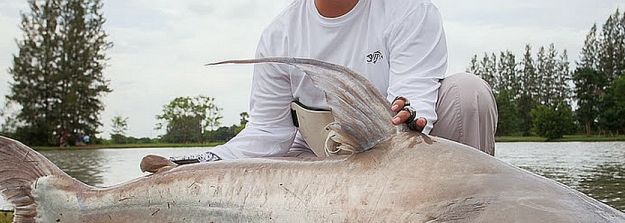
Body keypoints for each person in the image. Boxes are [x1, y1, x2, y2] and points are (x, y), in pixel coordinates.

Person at [141, 0, 497, 172]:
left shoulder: (408, 10)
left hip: (401, 149)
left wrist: (406, 116)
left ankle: (468, 218)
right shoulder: (279, 34)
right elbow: (267, 132)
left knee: (468, 93)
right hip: (318, 152)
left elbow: (416, 100)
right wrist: (200, 162)